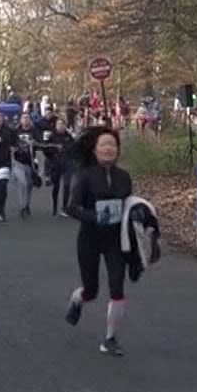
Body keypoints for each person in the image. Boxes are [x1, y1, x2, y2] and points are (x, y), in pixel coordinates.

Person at [63, 127, 133, 356]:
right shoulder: (85, 175)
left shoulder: (124, 177)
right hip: (90, 238)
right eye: (104, 144)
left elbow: (128, 204)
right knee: (91, 290)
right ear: (94, 150)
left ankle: (110, 339)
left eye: (112, 145)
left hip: (115, 240)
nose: (108, 148)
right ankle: (78, 299)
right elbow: (71, 208)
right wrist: (96, 217)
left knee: (117, 288)